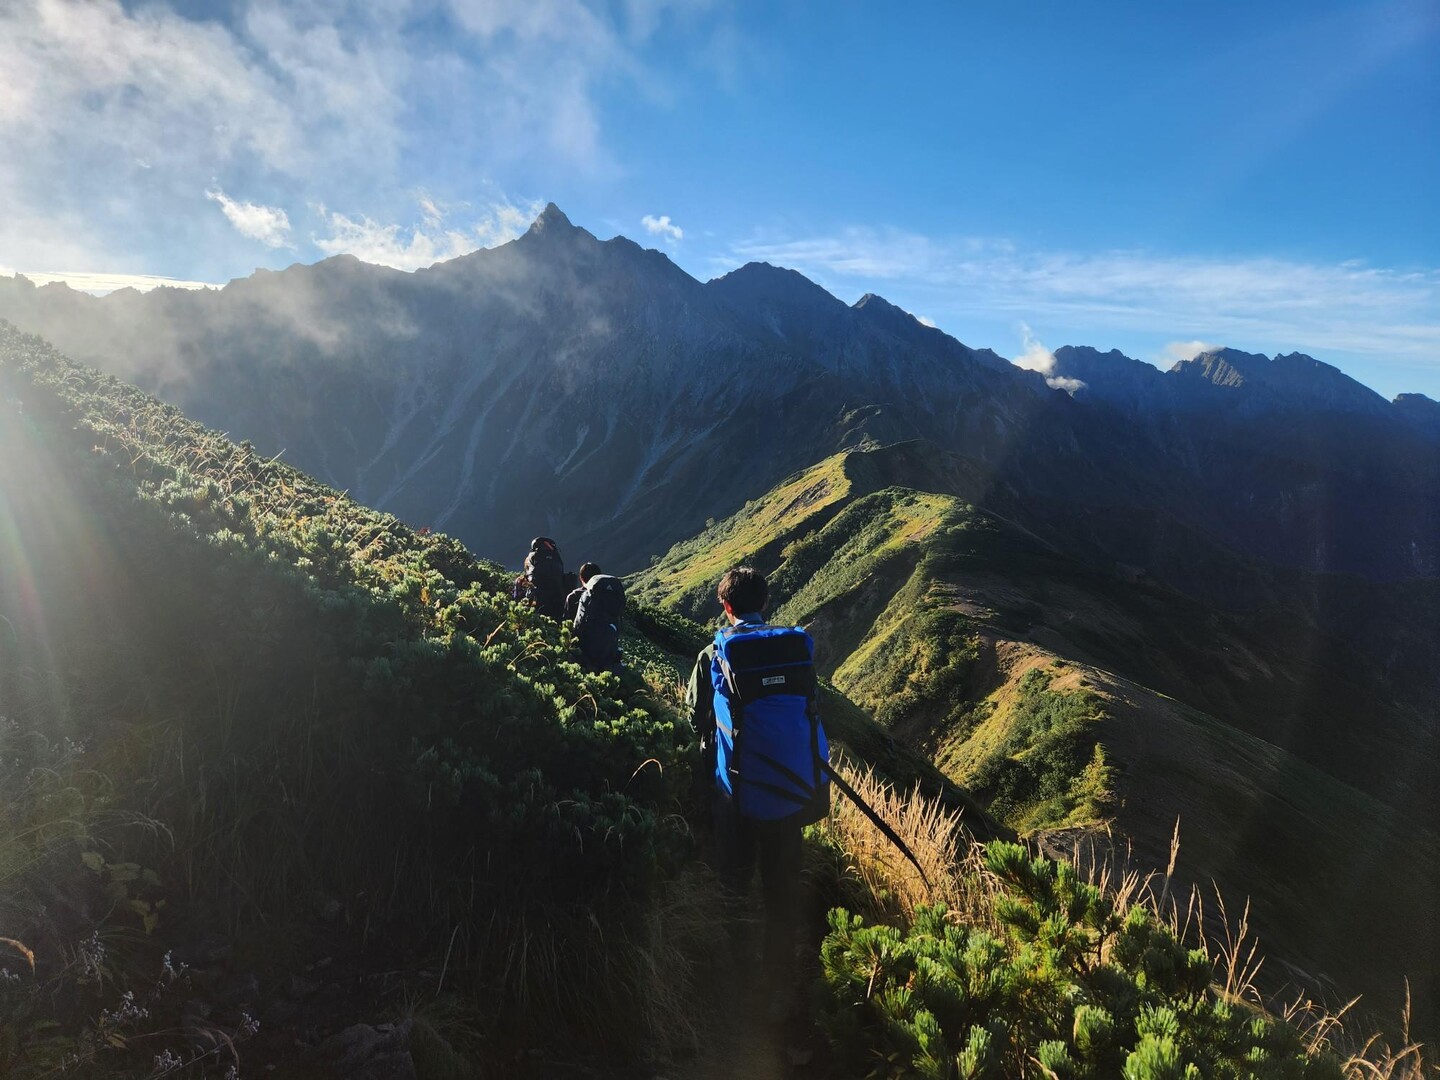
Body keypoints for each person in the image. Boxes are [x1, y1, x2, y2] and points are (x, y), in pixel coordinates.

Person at [686, 566, 829, 1001]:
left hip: (736, 792)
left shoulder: (714, 654)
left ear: (725, 606)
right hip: (791, 793)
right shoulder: (793, 648)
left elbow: (695, 717)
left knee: (735, 881)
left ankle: (737, 973)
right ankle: (778, 978)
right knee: (781, 889)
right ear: (765, 604)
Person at [572, 564, 626, 674]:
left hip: (586, 654)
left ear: (581, 578)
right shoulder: (611, 597)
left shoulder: (575, 596)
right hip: (609, 655)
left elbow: (575, 626)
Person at [521, 536, 567, 620]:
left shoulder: (532, 556)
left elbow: (530, 576)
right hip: (559, 597)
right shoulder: (556, 556)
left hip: (539, 597)